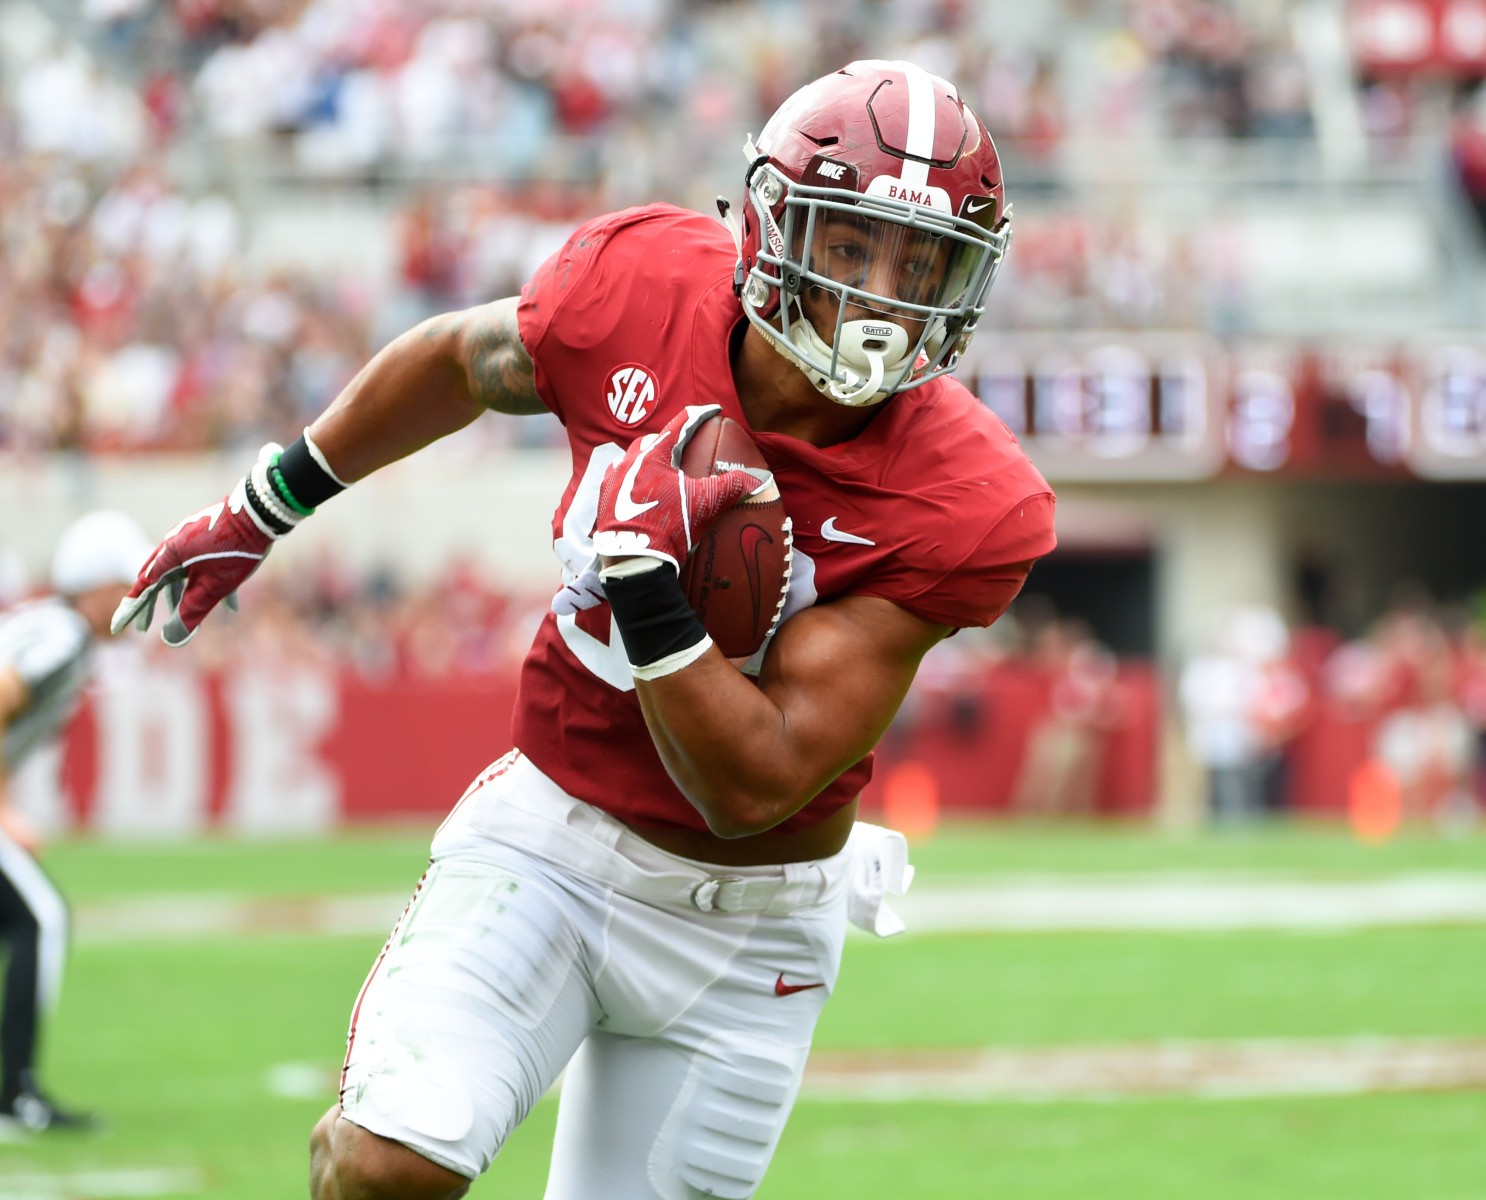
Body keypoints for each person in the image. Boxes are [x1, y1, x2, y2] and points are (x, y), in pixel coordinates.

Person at [116, 61, 1056, 1199]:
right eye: (850, 245)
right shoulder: (641, 289)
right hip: (552, 840)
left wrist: (648, 588)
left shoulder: (964, 497)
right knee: (384, 1167)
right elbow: (464, 359)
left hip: (746, 929)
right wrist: (267, 503)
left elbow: (748, 786)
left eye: (922, 264)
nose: (878, 296)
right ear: (769, 227)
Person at [0, 511, 151, 1135]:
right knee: (43, 917)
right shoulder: (62, 638)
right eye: (126, 584)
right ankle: (14, 1095)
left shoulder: (59, 633)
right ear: (93, 586)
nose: (137, 599)